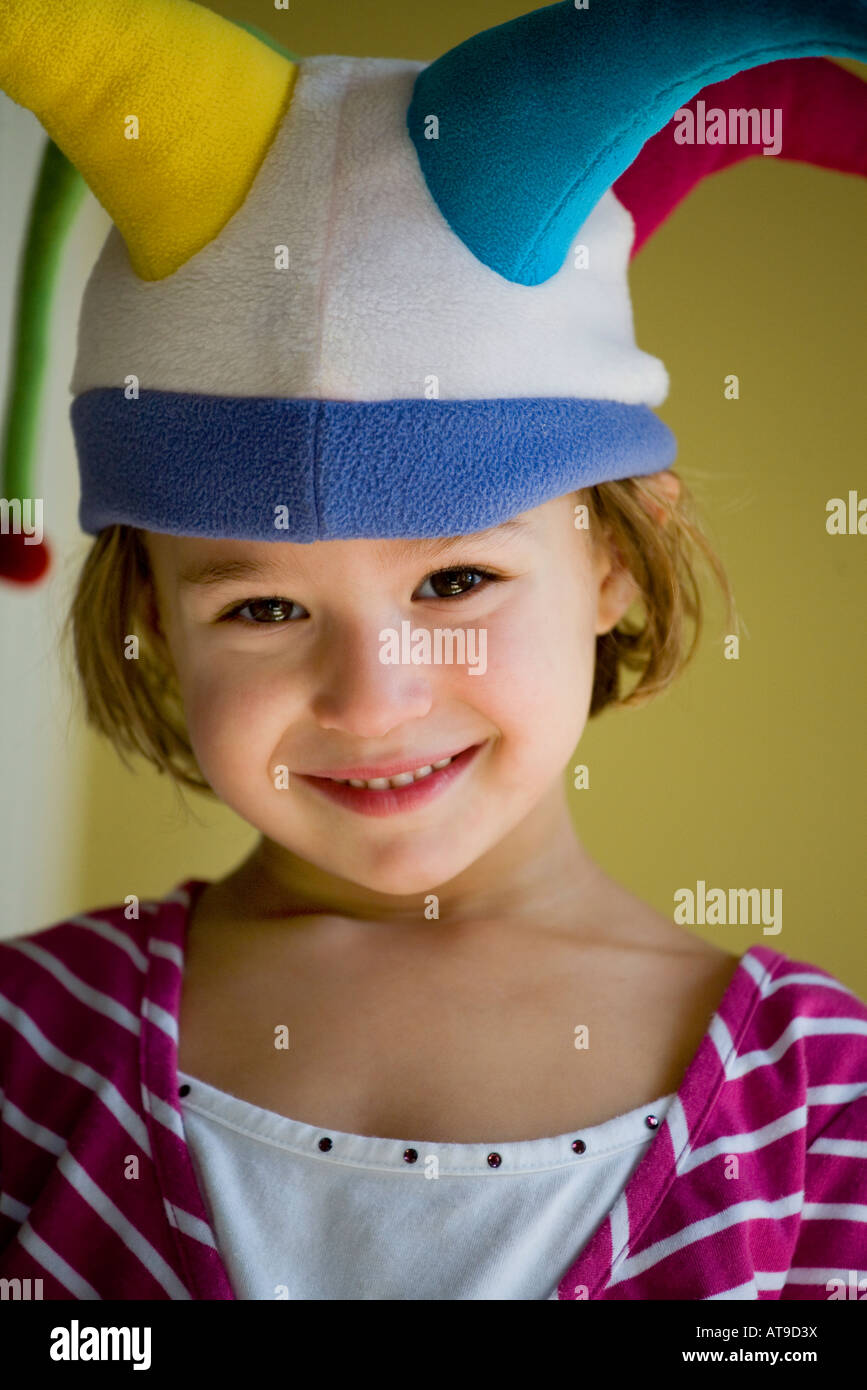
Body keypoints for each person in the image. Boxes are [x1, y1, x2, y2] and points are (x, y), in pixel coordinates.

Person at [0, 0, 865, 1301]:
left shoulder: (818, 1096)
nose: (372, 694)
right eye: (264, 607)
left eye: (457, 578)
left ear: (616, 562)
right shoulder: (26, 1044)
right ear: (152, 619)